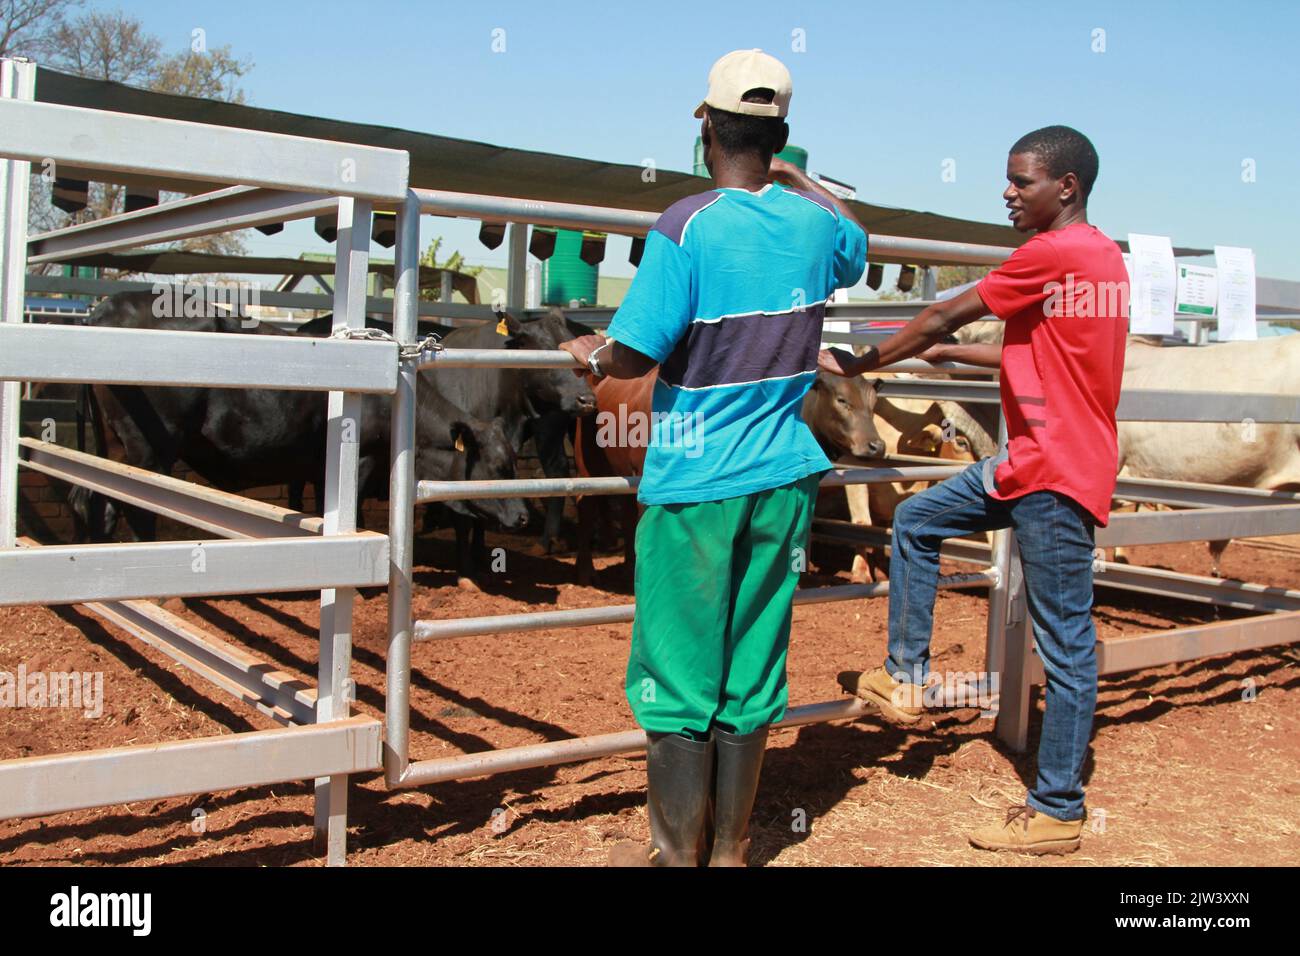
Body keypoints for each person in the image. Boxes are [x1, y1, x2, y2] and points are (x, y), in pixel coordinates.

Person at [559, 48, 867, 867]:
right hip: (783, 477)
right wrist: (794, 176)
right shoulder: (814, 227)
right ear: (782, 135)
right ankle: (729, 855)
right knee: (754, 661)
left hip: (697, 476)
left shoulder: (685, 224)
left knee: (676, 670)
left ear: (704, 125)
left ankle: (672, 857)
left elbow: (633, 357)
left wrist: (590, 355)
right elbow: (857, 241)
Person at [824, 125, 1127, 855]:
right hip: (1037, 460)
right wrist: (938, 348)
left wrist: (862, 359)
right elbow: (1026, 341)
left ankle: (1058, 809)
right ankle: (906, 677)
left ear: (1067, 187)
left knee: (1067, 644)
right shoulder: (1102, 258)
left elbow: (942, 312)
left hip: (1049, 473)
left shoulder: (1050, 252)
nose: (1008, 193)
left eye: (1021, 182)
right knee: (920, 519)